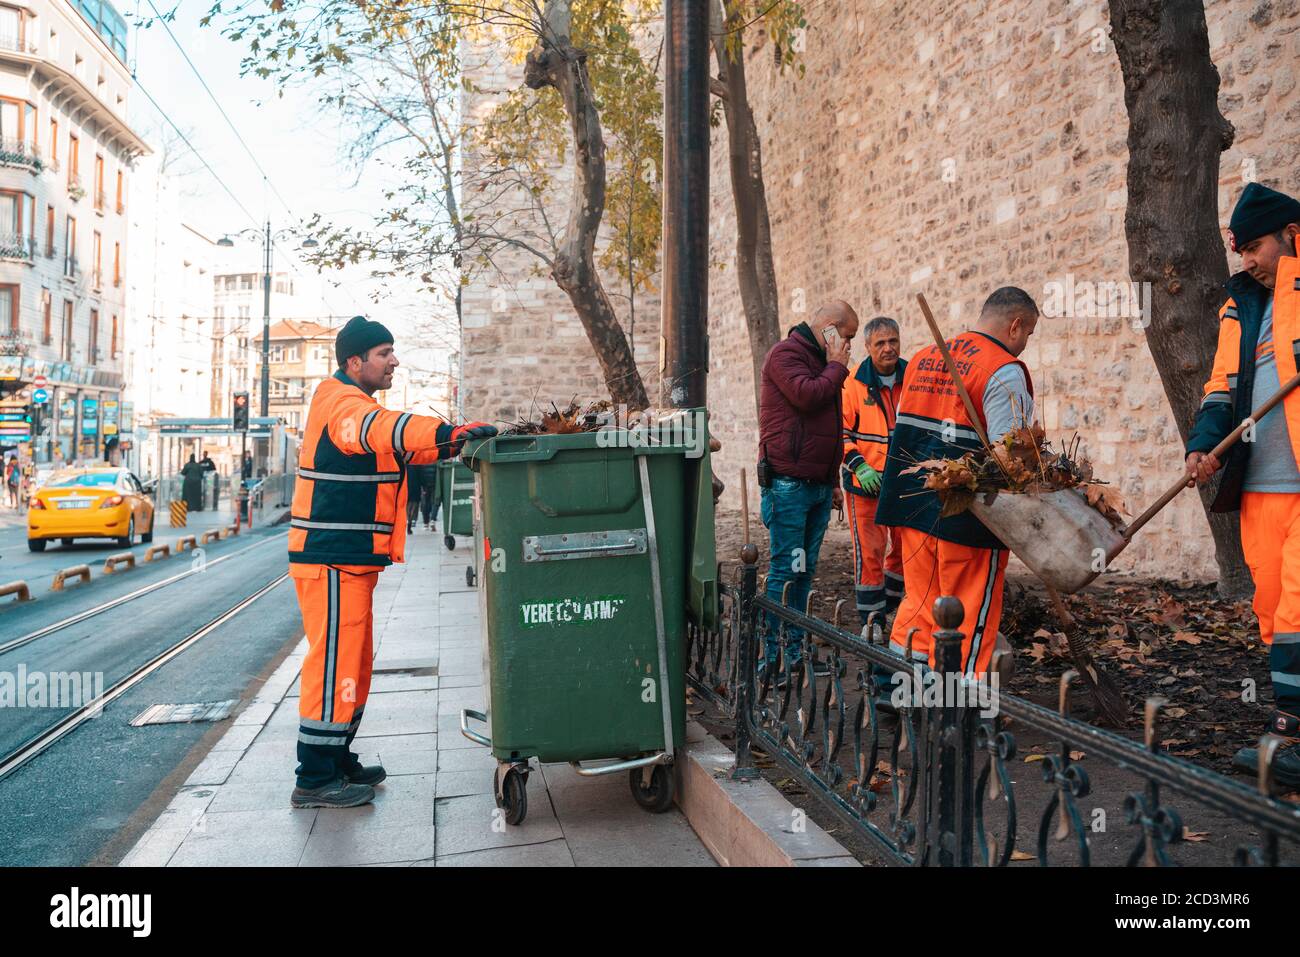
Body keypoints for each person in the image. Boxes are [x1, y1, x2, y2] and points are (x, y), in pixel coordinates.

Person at [288, 315, 496, 809]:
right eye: (384, 353)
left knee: (353, 663)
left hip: (351, 559)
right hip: (332, 557)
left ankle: (336, 758)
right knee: (335, 661)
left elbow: (400, 448)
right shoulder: (341, 403)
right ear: (355, 361)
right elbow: (380, 431)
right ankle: (314, 777)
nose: (394, 361)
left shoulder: (357, 405)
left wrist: (452, 440)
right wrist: (447, 428)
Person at [1185, 182, 1300, 789]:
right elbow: (1222, 385)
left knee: (1299, 612)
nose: (1247, 260)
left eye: (1255, 246)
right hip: (1261, 486)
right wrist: (1203, 443)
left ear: (1293, 236)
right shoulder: (1241, 305)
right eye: (1241, 250)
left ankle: (1288, 736)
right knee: (1271, 609)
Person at [876, 286, 1039, 676]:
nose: (1025, 344)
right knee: (966, 613)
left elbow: (907, 431)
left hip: (915, 507)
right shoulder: (1003, 370)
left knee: (920, 605)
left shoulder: (922, 358)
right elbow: (1009, 457)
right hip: (969, 517)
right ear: (1016, 325)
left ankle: (907, 694)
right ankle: (958, 713)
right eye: (1028, 334)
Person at [757, 300, 857, 676]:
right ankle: (772, 658)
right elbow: (807, 396)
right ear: (829, 328)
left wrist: (832, 481)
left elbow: (827, 428)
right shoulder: (786, 355)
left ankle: (795, 654)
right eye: (846, 336)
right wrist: (836, 365)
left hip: (815, 485)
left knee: (803, 572)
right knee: (784, 570)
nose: (848, 345)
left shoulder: (822, 363)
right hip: (788, 484)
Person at [841, 316, 906, 625]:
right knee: (870, 555)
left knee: (909, 552)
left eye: (892, 340)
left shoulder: (913, 378)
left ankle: (888, 607)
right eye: (880, 343)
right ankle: (872, 624)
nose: (888, 348)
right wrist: (860, 467)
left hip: (905, 484)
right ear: (867, 347)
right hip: (864, 485)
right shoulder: (852, 384)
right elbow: (837, 432)